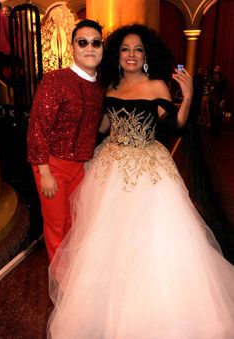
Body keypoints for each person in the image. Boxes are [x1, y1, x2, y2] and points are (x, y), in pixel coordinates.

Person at [47, 24, 234, 338]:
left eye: (138, 50)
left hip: (148, 170)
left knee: (153, 239)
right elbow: (104, 127)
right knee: (104, 240)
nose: (131, 55)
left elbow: (173, 126)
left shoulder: (156, 85)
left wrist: (186, 98)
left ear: (146, 56)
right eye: (125, 49)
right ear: (117, 55)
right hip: (110, 169)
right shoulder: (110, 87)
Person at [27, 19, 104, 261]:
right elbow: (37, 127)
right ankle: (59, 284)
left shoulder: (101, 86)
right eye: (83, 42)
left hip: (80, 167)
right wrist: (44, 171)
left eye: (96, 43)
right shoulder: (55, 80)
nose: (89, 47)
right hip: (52, 165)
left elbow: (98, 126)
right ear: (73, 47)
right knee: (56, 227)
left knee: (75, 225)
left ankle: (72, 277)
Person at [208, 64, 227, 134]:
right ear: (214, 69)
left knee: (217, 115)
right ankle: (211, 129)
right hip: (210, 98)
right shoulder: (211, 77)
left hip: (218, 99)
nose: (217, 69)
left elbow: (225, 90)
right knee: (211, 114)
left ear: (220, 70)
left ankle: (216, 130)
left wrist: (223, 100)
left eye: (219, 68)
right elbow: (209, 86)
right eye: (216, 68)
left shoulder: (223, 78)